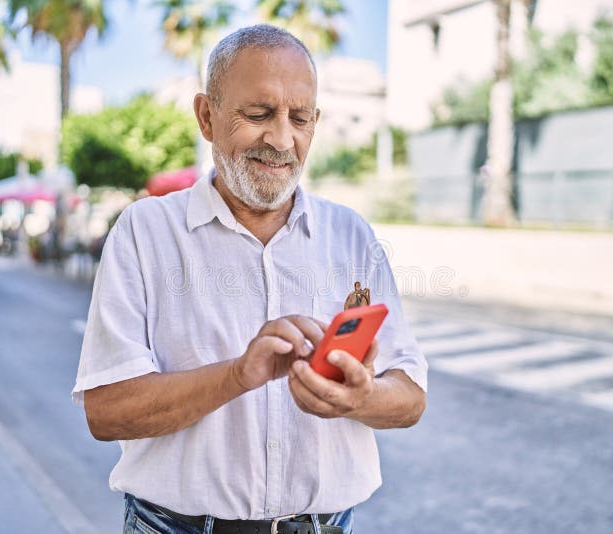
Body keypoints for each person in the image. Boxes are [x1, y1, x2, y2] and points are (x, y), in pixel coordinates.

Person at [73, 24, 427, 534]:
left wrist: (362, 397)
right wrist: (239, 374)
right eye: (258, 114)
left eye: (299, 118)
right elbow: (106, 411)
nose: (282, 139)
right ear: (206, 116)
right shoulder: (144, 232)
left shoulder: (351, 234)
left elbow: (411, 394)